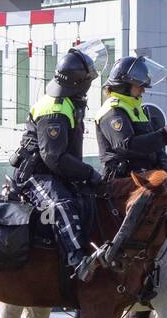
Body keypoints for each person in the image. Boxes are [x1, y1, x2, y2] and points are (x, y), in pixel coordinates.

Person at [9, 46, 108, 282]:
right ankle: (76, 259)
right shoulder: (53, 109)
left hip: (55, 174)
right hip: (36, 175)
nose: (90, 84)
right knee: (62, 204)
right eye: (88, 80)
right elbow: (54, 158)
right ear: (78, 83)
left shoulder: (68, 102)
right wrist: (89, 173)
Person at [95, 55, 167, 179]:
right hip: (124, 179)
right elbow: (127, 145)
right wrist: (163, 135)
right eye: (140, 85)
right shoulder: (113, 110)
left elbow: (154, 147)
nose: (143, 91)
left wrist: (166, 169)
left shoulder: (137, 108)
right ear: (125, 85)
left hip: (147, 175)